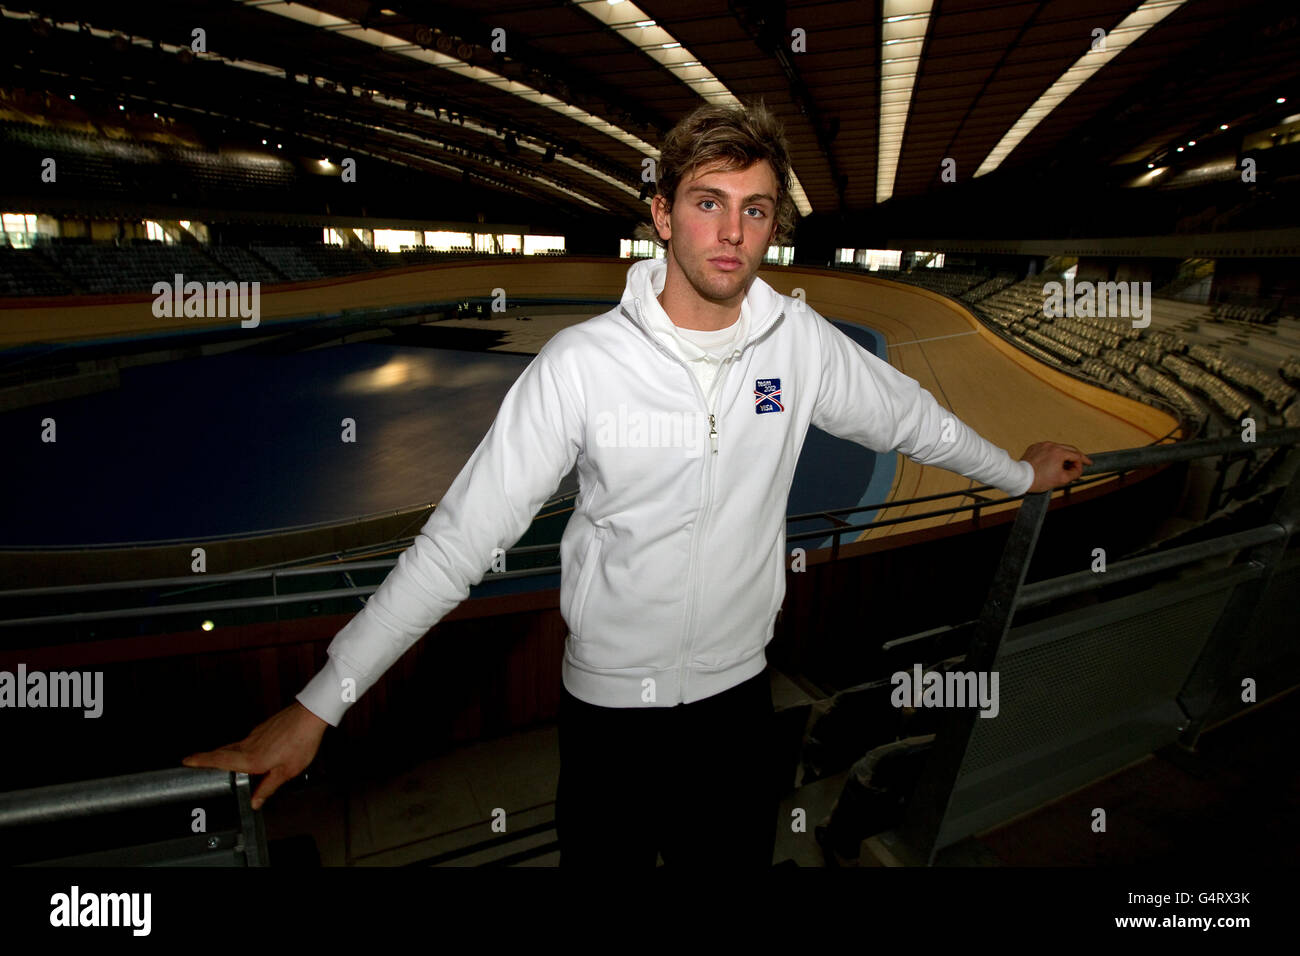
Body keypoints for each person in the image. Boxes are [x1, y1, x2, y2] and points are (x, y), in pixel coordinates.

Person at [182, 100, 1092, 866]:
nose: (732, 233)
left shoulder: (801, 344)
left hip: (741, 706)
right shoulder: (581, 366)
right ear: (661, 215)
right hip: (612, 717)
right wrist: (317, 704)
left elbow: (912, 420)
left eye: (756, 209)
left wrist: (1018, 471)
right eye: (708, 203)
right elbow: (459, 542)